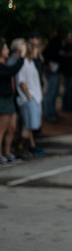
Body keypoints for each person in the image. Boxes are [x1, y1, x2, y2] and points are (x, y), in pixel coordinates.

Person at [16, 39, 45, 157]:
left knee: (32, 125)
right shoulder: (23, 64)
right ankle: (19, 148)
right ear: (30, 50)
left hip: (35, 98)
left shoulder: (31, 62)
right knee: (29, 125)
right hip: (30, 99)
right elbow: (22, 81)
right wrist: (29, 96)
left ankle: (29, 147)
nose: (37, 50)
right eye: (35, 48)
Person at [0, 37, 25, 165]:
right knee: (2, 128)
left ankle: (8, 153)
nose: (7, 50)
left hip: (10, 98)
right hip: (3, 98)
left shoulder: (4, 64)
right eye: (4, 48)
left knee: (12, 127)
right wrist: (22, 56)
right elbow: (12, 70)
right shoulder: (3, 67)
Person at [42, 34, 63, 122]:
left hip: (56, 71)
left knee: (54, 93)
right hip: (53, 72)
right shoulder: (51, 49)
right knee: (51, 93)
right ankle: (48, 113)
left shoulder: (54, 48)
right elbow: (45, 57)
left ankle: (52, 112)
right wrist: (47, 65)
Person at [60, 32, 72, 114]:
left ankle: (69, 106)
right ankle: (66, 106)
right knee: (69, 90)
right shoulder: (66, 48)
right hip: (70, 73)